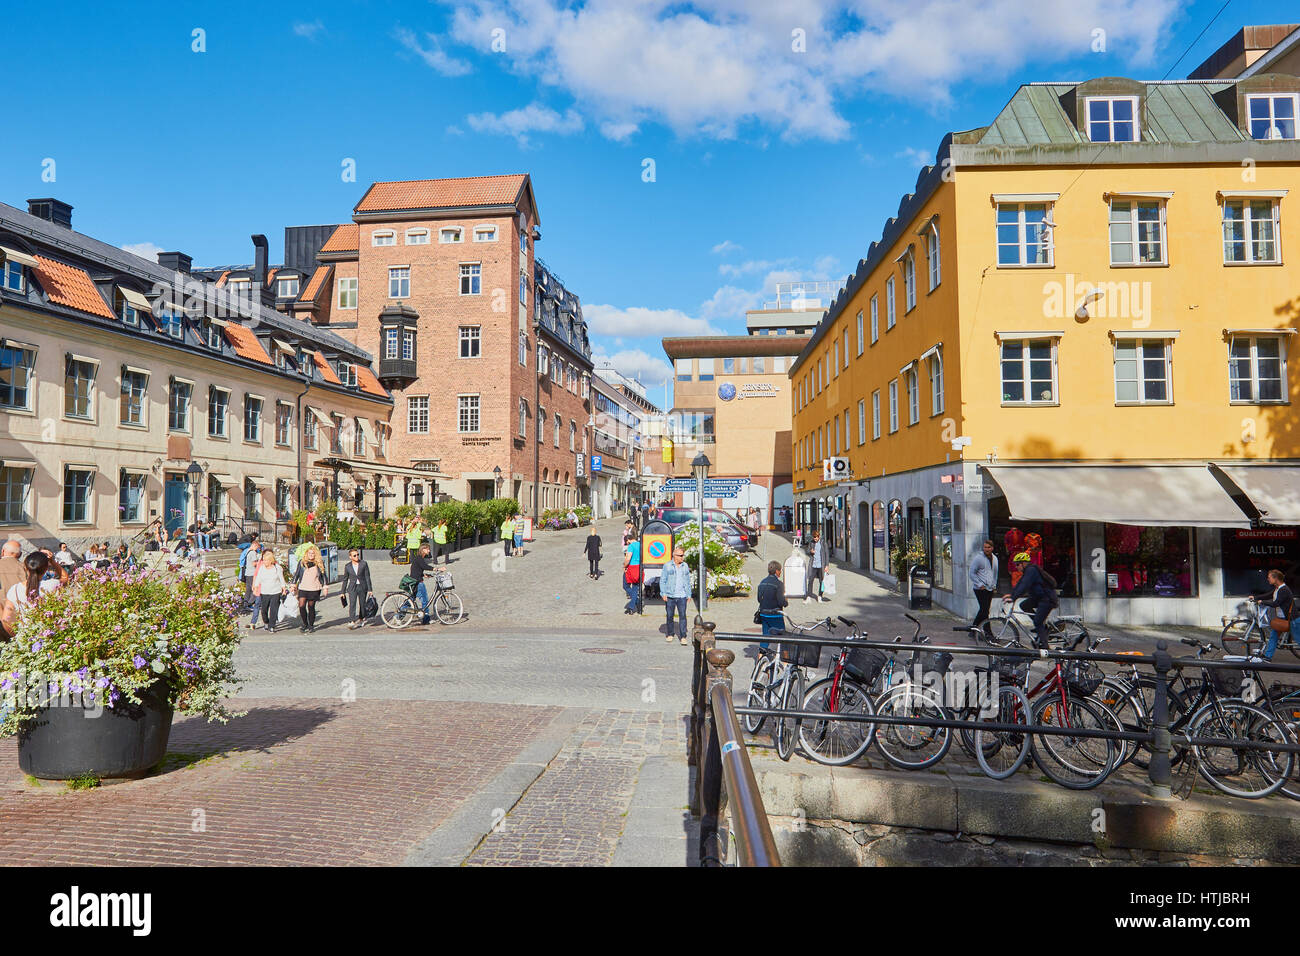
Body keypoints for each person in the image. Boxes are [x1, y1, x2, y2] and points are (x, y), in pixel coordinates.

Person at [1004, 551, 1059, 649]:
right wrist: (1012, 594)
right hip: (1039, 598)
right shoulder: (1027, 572)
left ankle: (1045, 647)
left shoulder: (1031, 570)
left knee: (1037, 622)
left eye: (1017, 564)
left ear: (1024, 563)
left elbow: (1025, 585)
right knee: (1024, 605)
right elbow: (1020, 584)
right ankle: (1042, 627)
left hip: (1047, 598)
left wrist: (1013, 598)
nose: (1016, 567)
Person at [1254, 569, 1295, 661]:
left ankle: (1268, 656)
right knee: (1273, 636)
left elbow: (1276, 603)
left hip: (1290, 618)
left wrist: (1262, 602)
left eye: (1269, 578)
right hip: (1282, 617)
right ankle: (1268, 657)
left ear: (1276, 578)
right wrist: (1256, 597)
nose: (1268, 579)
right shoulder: (1278, 589)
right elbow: (1269, 595)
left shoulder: (1284, 589)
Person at [660, 545, 692, 645]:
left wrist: (689, 594)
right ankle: (670, 634)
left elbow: (687, 580)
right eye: (680, 555)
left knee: (682, 615)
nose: (682, 557)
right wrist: (663, 593)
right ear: (674, 555)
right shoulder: (667, 565)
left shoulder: (685, 566)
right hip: (670, 595)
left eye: (683, 555)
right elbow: (663, 580)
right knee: (670, 616)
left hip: (682, 595)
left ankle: (683, 636)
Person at [291, 544, 327, 634]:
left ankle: (311, 625)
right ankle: (304, 623)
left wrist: (325, 586)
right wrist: (293, 584)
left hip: (314, 588)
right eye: (310, 553)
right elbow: (297, 574)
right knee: (301, 605)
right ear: (307, 553)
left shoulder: (319, 563)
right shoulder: (302, 562)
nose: (311, 555)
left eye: (313, 553)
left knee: (311, 607)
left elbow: (323, 575)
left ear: (316, 554)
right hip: (303, 587)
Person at [252, 549, 288, 633]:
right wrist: (255, 586)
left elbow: (281, 579)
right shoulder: (262, 568)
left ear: (270, 560)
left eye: (266, 560)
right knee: (264, 610)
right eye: (263, 560)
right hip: (264, 591)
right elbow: (258, 578)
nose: (264, 562)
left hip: (275, 591)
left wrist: (284, 589)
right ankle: (266, 622)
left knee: (273, 609)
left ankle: (272, 626)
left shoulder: (277, 568)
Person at [969, 540, 999, 637]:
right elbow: (971, 573)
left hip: (989, 589)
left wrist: (994, 586)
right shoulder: (978, 558)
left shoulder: (995, 559)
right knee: (985, 611)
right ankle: (988, 633)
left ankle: (973, 630)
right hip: (980, 589)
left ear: (992, 548)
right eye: (985, 547)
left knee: (984, 610)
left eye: (988, 547)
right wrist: (979, 584)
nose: (986, 549)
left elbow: (995, 574)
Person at [756, 560, 788, 649]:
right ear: (777, 571)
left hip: (763, 614)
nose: (781, 572)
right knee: (784, 639)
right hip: (775, 615)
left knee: (765, 637)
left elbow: (759, 599)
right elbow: (781, 602)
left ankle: (760, 660)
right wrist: (786, 601)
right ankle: (785, 662)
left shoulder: (762, 582)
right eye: (780, 570)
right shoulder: (779, 584)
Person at [341, 548, 373, 629]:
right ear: (350, 557)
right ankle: (352, 620)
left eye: (357, 554)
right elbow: (345, 579)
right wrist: (343, 591)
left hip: (362, 586)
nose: (357, 556)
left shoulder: (364, 564)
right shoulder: (347, 566)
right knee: (352, 604)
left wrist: (370, 589)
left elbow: (367, 577)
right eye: (354, 555)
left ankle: (361, 618)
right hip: (352, 587)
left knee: (362, 604)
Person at [411, 542, 435, 625]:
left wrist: (424, 575)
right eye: (428, 549)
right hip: (418, 583)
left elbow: (416, 570)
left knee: (410, 600)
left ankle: (398, 616)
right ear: (423, 550)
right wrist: (436, 568)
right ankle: (426, 620)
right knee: (425, 601)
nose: (429, 551)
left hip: (414, 581)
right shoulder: (419, 558)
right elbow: (424, 566)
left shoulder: (418, 558)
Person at [805, 530, 828, 604]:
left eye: (816, 537)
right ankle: (808, 596)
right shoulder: (811, 543)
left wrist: (827, 565)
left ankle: (820, 596)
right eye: (814, 537)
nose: (815, 539)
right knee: (810, 580)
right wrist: (810, 552)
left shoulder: (823, 543)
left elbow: (826, 554)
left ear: (819, 537)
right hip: (813, 565)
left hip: (821, 565)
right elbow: (807, 551)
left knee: (822, 582)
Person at [241, 540, 263, 613]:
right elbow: (254, 564)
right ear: (255, 545)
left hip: (247, 573)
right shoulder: (253, 552)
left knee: (248, 590)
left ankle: (245, 603)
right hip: (252, 573)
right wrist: (260, 562)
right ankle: (249, 604)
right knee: (254, 589)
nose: (258, 549)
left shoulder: (247, 551)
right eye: (257, 547)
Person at [623, 534, 642, 615]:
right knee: (635, 588)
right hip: (639, 568)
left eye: (627, 542)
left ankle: (637, 601)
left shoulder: (631, 546)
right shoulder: (641, 544)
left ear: (628, 540)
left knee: (625, 586)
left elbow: (628, 558)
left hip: (631, 568)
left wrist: (624, 566)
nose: (627, 544)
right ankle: (631, 607)